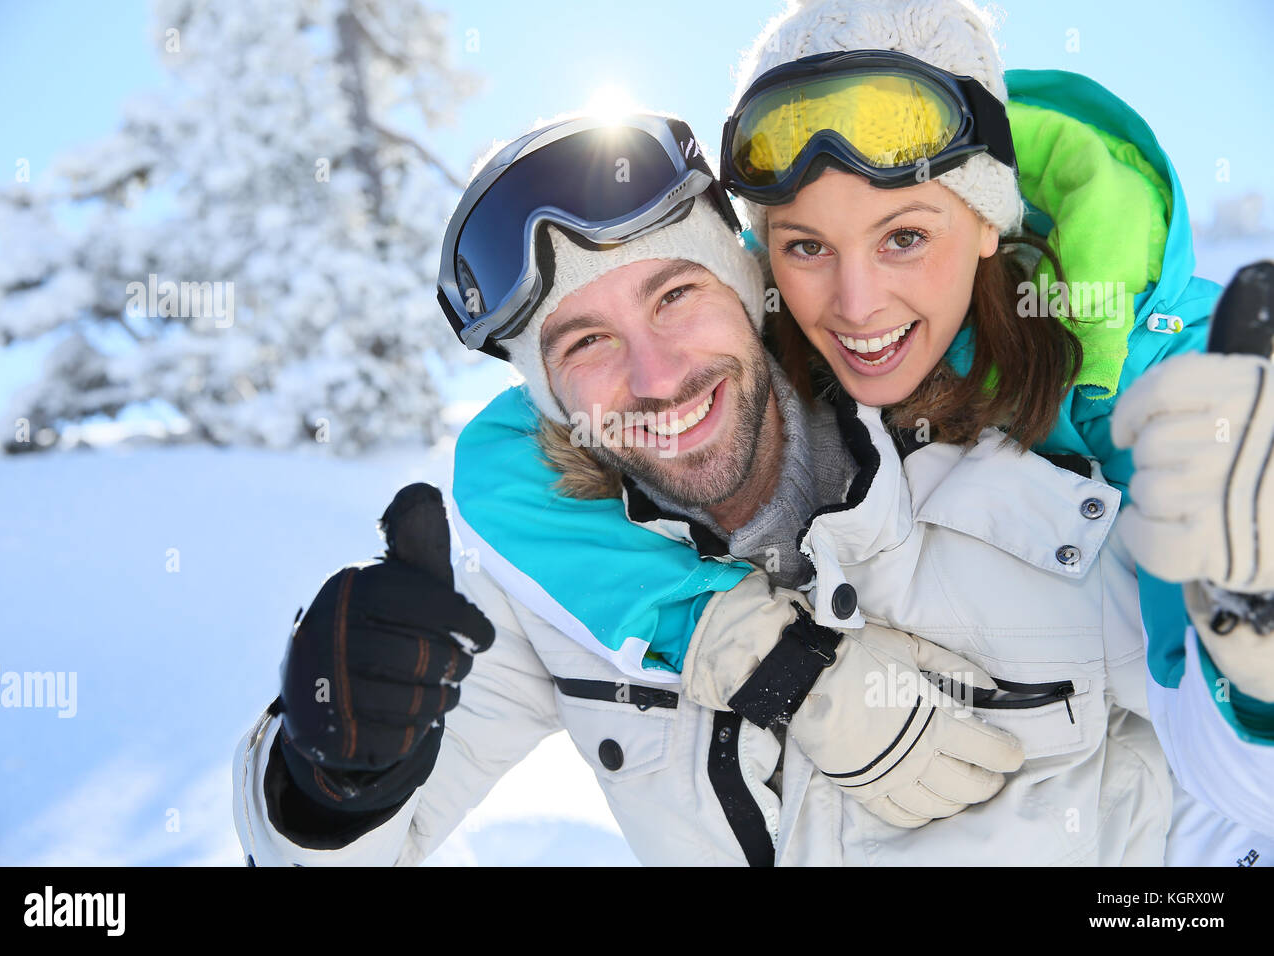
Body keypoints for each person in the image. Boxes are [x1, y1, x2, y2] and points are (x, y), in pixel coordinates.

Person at [234, 112, 1260, 866]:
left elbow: (1238, 790)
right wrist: (326, 782)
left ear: (749, 283)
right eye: (585, 343)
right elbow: (340, 854)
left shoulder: (1023, 481)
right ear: (546, 397)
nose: (655, 374)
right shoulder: (544, 588)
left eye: (675, 294)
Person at [443, 0, 1274, 846]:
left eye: (905, 237)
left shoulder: (1108, 418)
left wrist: (1255, 659)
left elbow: (1221, 779)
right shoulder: (589, 511)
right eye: (805, 247)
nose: (857, 304)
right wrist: (754, 654)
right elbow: (502, 458)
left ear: (990, 217)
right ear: (761, 264)